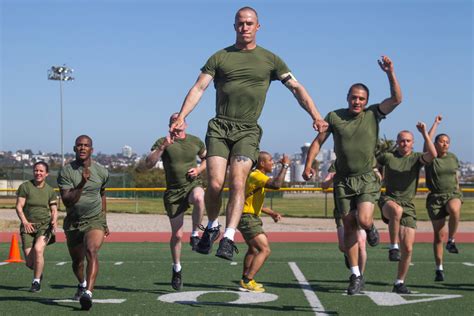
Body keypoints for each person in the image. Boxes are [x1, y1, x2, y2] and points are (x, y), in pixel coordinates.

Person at [169, 6, 327, 261]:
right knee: (215, 184)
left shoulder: (270, 60)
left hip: (248, 130)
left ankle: (229, 237)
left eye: (249, 23)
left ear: (258, 27)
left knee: (239, 181)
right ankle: (212, 225)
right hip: (220, 127)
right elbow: (199, 87)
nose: (245, 27)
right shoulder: (220, 57)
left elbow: (296, 88)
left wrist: (316, 116)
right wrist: (182, 116)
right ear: (234, 26)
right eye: (240, 23)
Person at [303, 55, 402, 295]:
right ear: (347, 98)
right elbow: (317, 142)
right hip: (343, 181)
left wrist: (390, 72)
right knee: (348, 225)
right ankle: (356, 275)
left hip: (367, 177)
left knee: (365, 219)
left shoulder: (373, 114)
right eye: (354, 97)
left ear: (366, 101)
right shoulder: (335, 117)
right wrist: (308, 165)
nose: (357, 102)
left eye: (361, 99)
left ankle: (370, 229)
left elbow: (397, 99)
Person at [145, 113, 206, 291]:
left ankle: (195, 234)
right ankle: (177, 268)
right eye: (173, 120)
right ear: (170, 125)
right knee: (177, 235)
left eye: (179, 120)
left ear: (185, 124)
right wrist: (163, 146)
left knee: (199, 197)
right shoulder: (162, 141)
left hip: (192, 185)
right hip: (173, 192)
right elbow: (149, 163)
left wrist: (199, 169)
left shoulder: (195, 141)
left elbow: (207, 159)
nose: (176, 122)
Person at [377, 122, 437, 293]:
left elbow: (433, 154)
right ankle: (393, 246)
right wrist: (377, 172)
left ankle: (399, 283)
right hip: (388, 200)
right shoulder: (388, 157)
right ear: (397, 142)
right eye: (402, 141)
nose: (405, 143)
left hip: (408, 205)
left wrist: (425, 133)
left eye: (408, 141)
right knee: (396, 211)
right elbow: (374, 164)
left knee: (409, 248)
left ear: (412, 143)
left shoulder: (416, 158)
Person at [57, 135, 109, 311]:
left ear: (91, 150)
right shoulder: (66, 171)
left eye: (86, 145)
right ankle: (82, 283)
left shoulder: (102, 172)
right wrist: (81, 184)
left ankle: (88, 293)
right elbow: (67, 201)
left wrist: (104, 219)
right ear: (74, 148)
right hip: (73, 223)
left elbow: (102, 194)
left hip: (95, 219)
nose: (82, 148)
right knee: (77, 262)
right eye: (79, 145)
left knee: (91, 250)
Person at [238, 152, 288, 293]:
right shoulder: (256, 176)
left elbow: (255, 201)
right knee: (264, 249)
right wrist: (285, 165)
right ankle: (248, 280)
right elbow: (277, 184)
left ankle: (245, 279)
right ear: (262, 163)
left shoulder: (257, 176)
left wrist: (272, 213)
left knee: (253, 249)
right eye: (270, 160)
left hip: (248, 216)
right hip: (247, 217)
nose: (272, 163)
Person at [424, 115, 463, 282]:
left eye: (447, 141)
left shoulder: (453, 157)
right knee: (438, 236)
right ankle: (439, 268)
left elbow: (456, 176)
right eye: (442, 141)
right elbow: (427, 142)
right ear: (436, 144)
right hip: (435, 198)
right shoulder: (431, 158)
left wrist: (458, 191)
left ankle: (452, 240)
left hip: (452, 194)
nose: (445, 143)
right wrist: (435, 124)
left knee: (455, 208)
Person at [15, 161, 58, 293]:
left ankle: (36, 282)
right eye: (36, 170)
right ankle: (38, 273)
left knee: (38, 249)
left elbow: (54, 209)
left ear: (46, 174)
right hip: (27, 227)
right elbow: (19, 206)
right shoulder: (25, 187)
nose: (38, 173)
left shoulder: (50, 190)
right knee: (29, 263)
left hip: (44, 226)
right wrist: (25, 222)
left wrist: (54, 220)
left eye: (41, 171)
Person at [321, 163, 367, 274]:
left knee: (361, 244)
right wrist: (331, 179)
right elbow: (324, 185)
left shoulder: (362, 161)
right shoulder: (336, 165)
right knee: (343, 246)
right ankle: (348, 254)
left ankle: (359, 277)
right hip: (342, 211)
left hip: (358, 209)